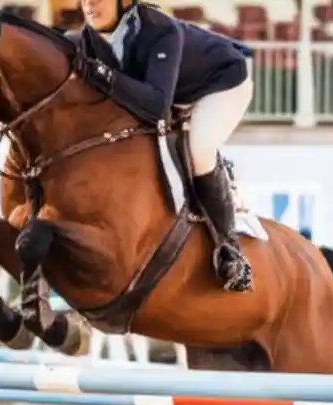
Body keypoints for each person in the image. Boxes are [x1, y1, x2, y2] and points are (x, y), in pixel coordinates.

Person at [73, 0, 255, 292]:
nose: (89, 4)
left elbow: (156, 106)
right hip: (172, 91)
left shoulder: (159, 29)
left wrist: (104, 75)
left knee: (198, 150)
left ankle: (230, 250)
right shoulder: (90, 38)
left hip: (222, 84)